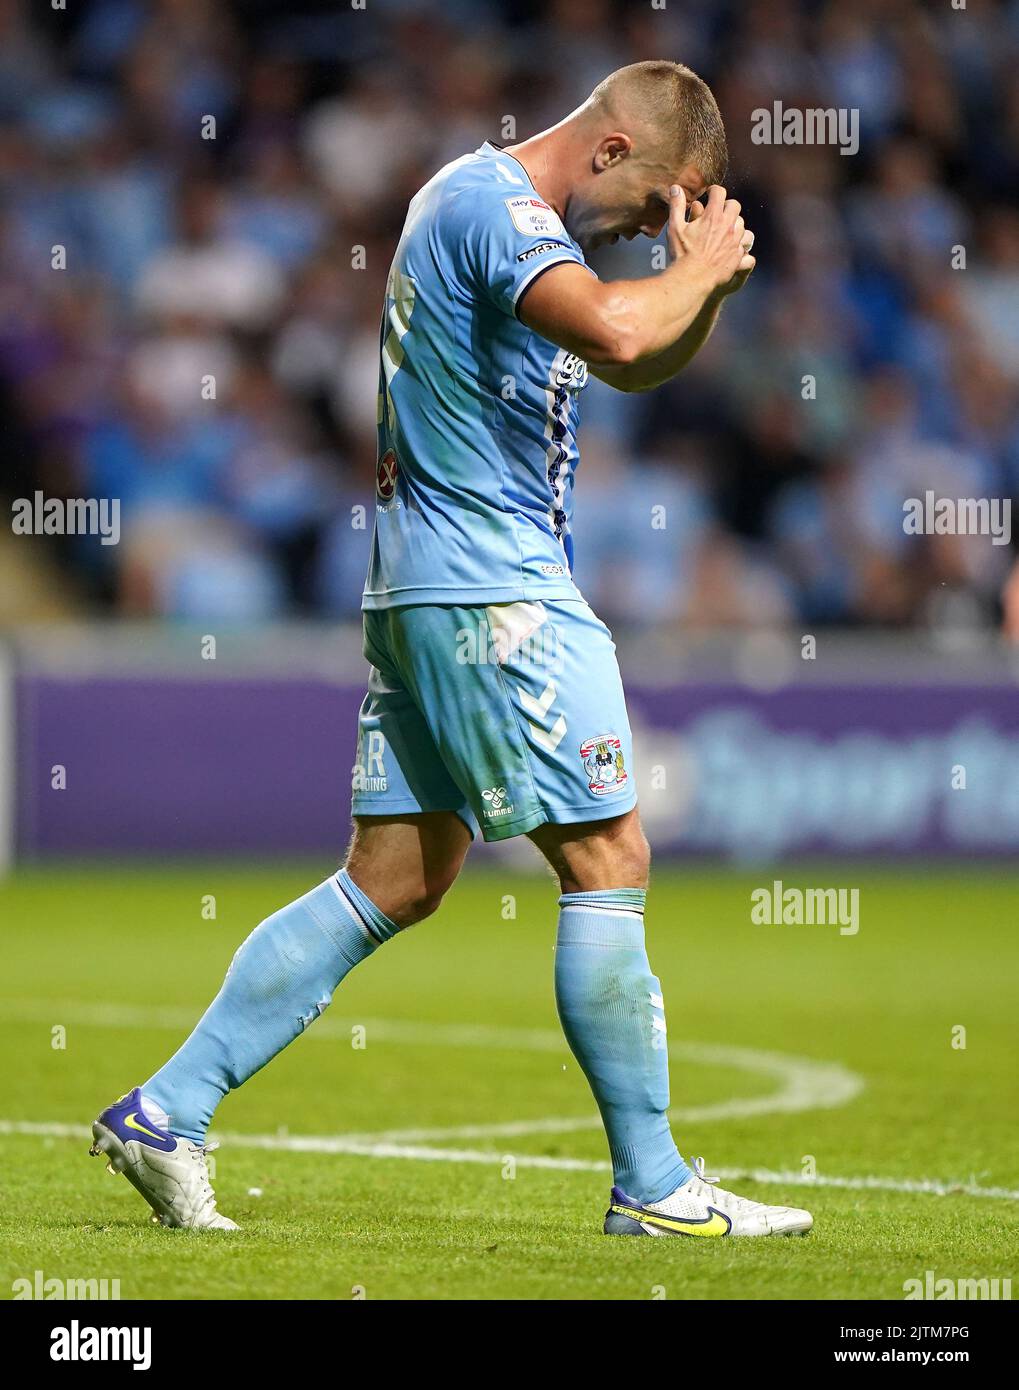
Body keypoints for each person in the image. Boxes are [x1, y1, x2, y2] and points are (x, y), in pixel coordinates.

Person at [91, 60, 812, 1239]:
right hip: (497, 591)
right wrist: (689, 273)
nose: (641, 237)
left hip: (428, 585)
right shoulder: (500, 210)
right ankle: (651, 1186)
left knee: (396, 877)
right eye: (645, 210)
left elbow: (639, 345)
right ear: (613, 152)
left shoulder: (470, 205)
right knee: (608, 854)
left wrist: (703, 291)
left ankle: (168, 1110)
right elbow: (628, 336)